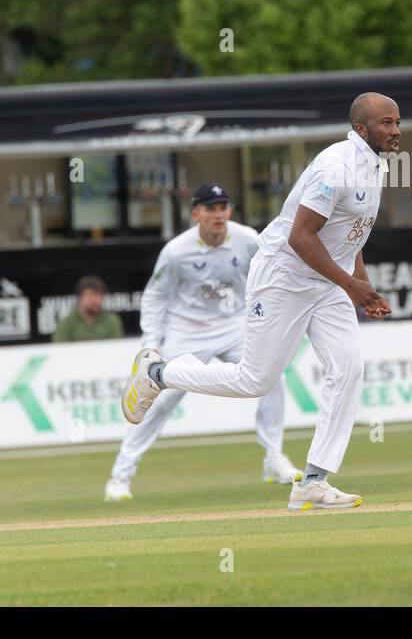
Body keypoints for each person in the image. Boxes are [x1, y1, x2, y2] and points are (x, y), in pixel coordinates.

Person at [120, 92, 397, 511]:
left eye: (397, 122)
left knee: (349, 366)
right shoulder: (334, 167)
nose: (396, 131)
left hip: (325, 281)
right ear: (361, 128)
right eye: (386, 124)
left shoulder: (376, 164)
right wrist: (350, 285)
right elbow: (300, 237)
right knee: (255, 381)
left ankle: (313, 481)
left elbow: (350, 233)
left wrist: (362, 284)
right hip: (284, 275)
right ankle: (158, 373)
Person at [104, 182, 303, 502]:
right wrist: (151, 342)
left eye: (223, 207)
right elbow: (156, 297)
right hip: (188, 331)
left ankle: (273, 459)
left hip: (235, 324)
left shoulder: (247, 240)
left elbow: (272, 274)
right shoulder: (176, 251)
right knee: (160, 398)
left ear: (230, 211)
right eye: (210, 208)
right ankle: (120, 475)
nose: (218, 214)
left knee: (271, 378)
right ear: (196, 213)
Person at [53, 275, 124, 342]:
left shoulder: (112, 321)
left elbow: (117, 349)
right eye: (90, 295)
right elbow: (58, 351)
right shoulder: (66, 323)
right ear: (80, 298)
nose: (96, 300)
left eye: (100, 295)